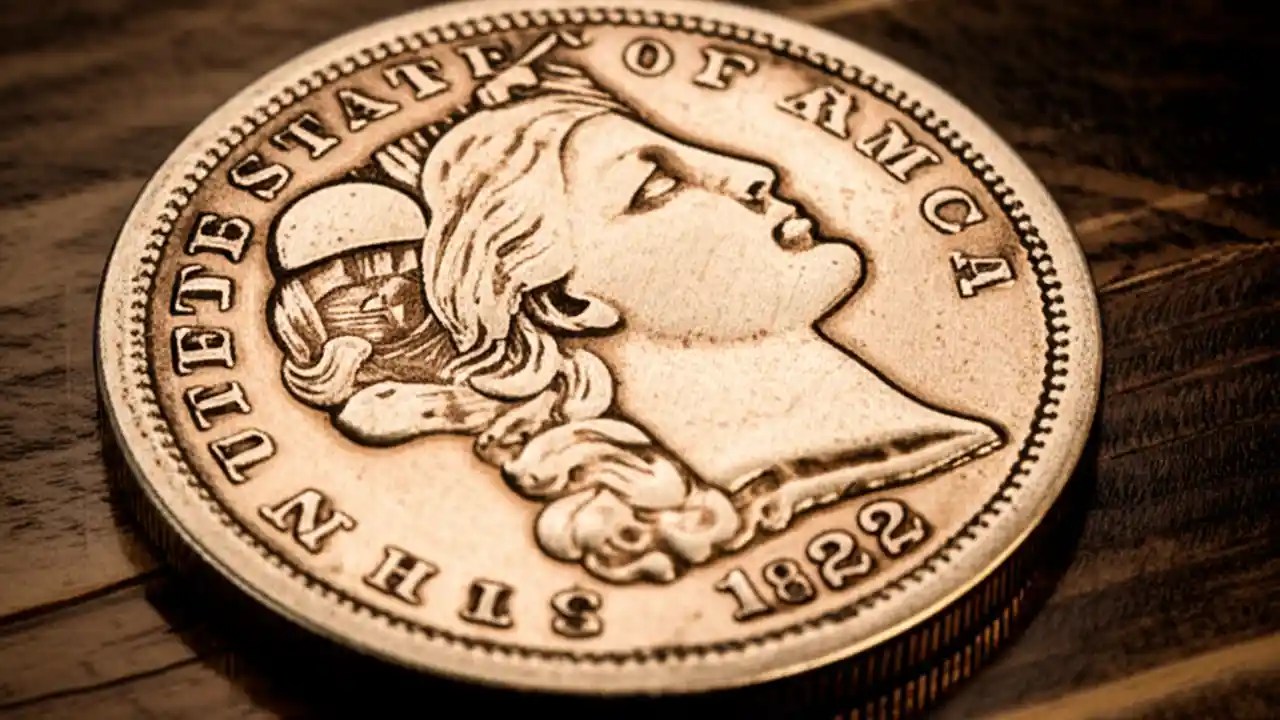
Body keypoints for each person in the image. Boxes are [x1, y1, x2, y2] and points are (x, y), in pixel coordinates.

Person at [267, 60, 1004, 584]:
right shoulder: (731, 516)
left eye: (692, 154)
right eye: (657, 184)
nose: (751, 172)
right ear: (568, 303)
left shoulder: (944, 446)